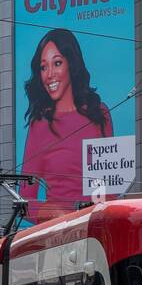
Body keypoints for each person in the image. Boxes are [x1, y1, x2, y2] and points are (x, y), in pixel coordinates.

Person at [18, 28, 113, 220]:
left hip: (96, 226)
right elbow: (25, 200)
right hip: (58, 233)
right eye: (43, 67)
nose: (49, 74)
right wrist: (52, 212)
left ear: (72, 64)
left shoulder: (99, 113)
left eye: (57, 63)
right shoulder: (40, 124)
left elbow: (107, 186)